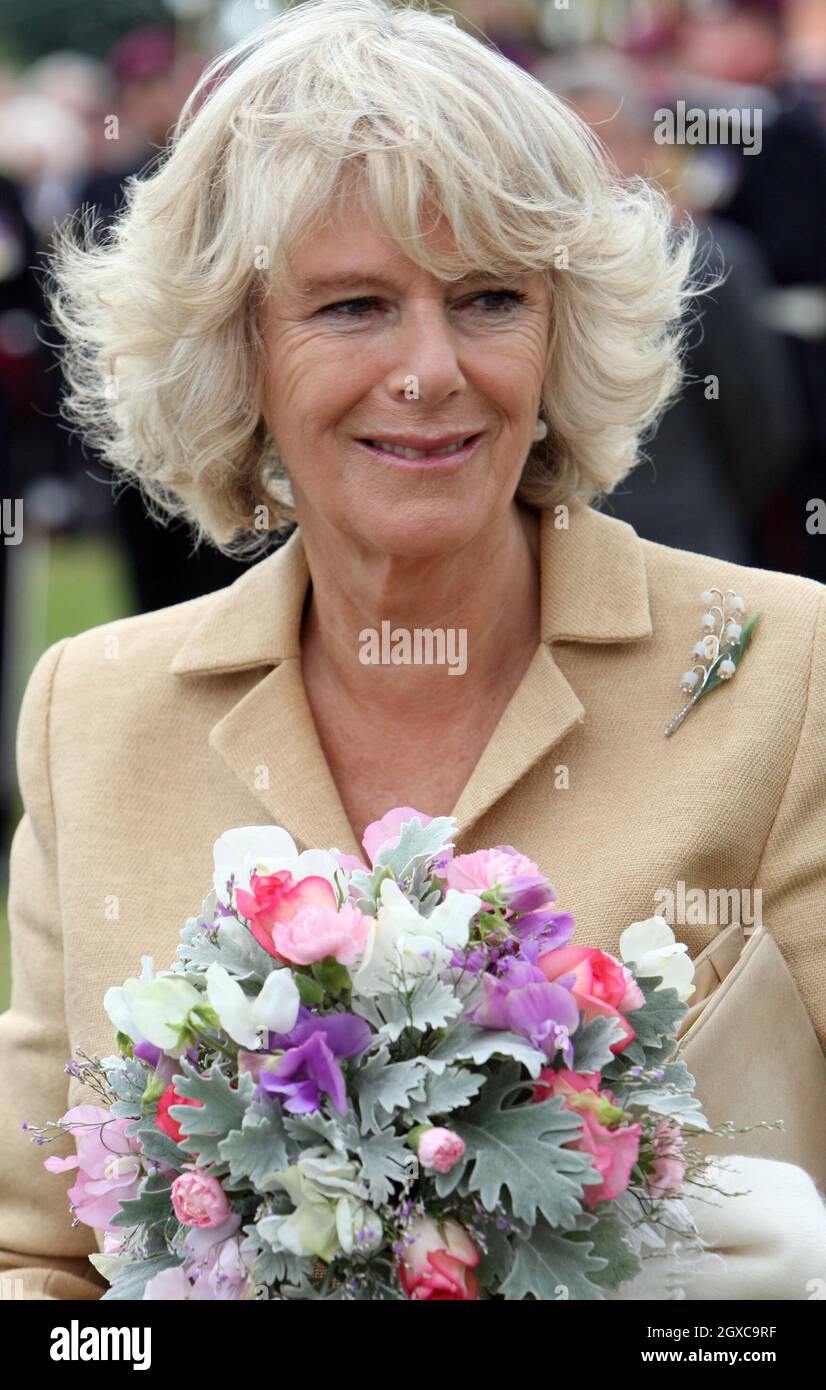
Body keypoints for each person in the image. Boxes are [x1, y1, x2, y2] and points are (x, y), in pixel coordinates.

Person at [1, 0, 825, 1300]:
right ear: (235, 348)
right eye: (353, 306)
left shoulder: (782, 671)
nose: (431, 368)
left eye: (489, 297)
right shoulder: (93, 712)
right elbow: (39, 1259)